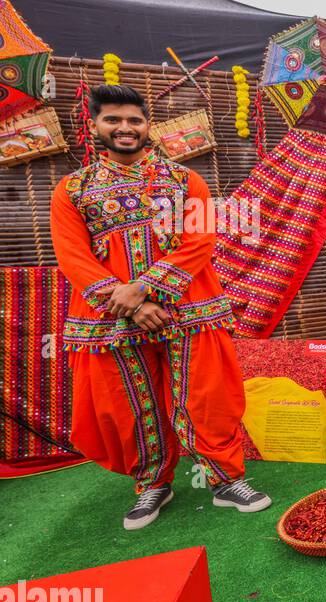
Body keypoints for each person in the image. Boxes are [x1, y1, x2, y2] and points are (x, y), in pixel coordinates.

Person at [50, 84, 270, 530]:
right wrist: (129, 304)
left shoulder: (187, 180)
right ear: (94, 126)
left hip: (188, 309)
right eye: (113, 120)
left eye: (134, 120)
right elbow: (71, 254)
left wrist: (147, 288)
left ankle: (226, 478)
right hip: (112, 318)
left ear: (148, 126)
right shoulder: (71, 189)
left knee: (207, 396)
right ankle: (153, 483)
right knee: (131, 404)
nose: (125, 128)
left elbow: (200, 241)